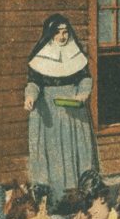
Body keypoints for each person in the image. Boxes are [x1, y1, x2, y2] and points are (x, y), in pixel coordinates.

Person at [24, 14, 100, 207]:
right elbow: (34, 82)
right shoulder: (39, 57)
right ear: (50, 34)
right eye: (57, 32)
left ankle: (81, 197)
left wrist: (83, 94)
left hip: (73, 111)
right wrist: (30, 96)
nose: (62, 36)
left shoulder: (76, 53)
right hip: (48, 111)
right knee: (54, 154)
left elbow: (85, 78)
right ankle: (55, 200)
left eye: (65, 32)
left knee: (76, 150)